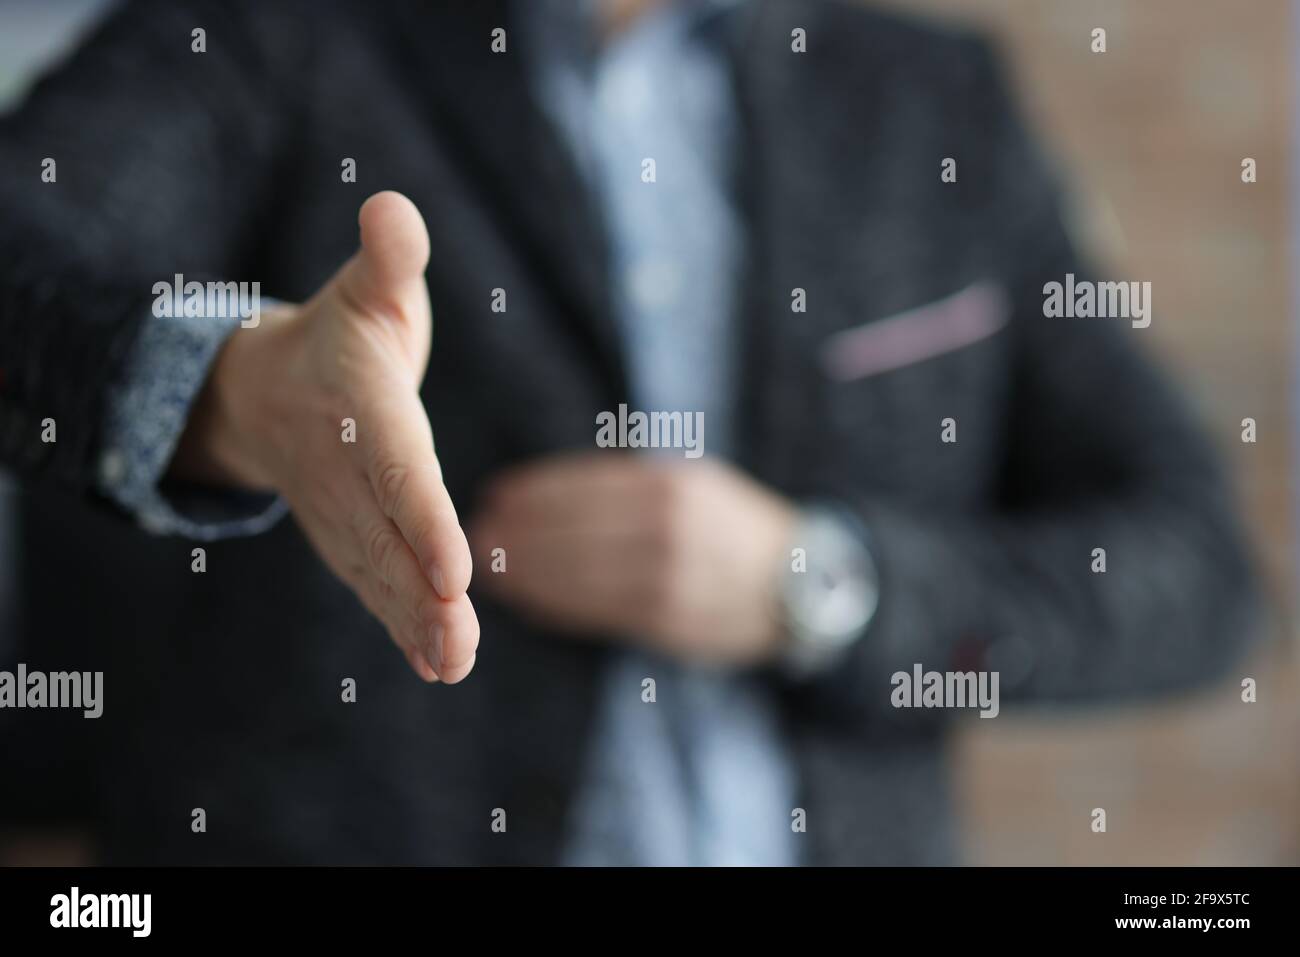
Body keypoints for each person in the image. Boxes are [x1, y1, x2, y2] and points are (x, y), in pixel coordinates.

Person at [0, 0, 1259, 864]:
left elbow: (1197, 570)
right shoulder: (275, 31)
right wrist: (230, 388)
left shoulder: (935, 104)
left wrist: (818, 583)